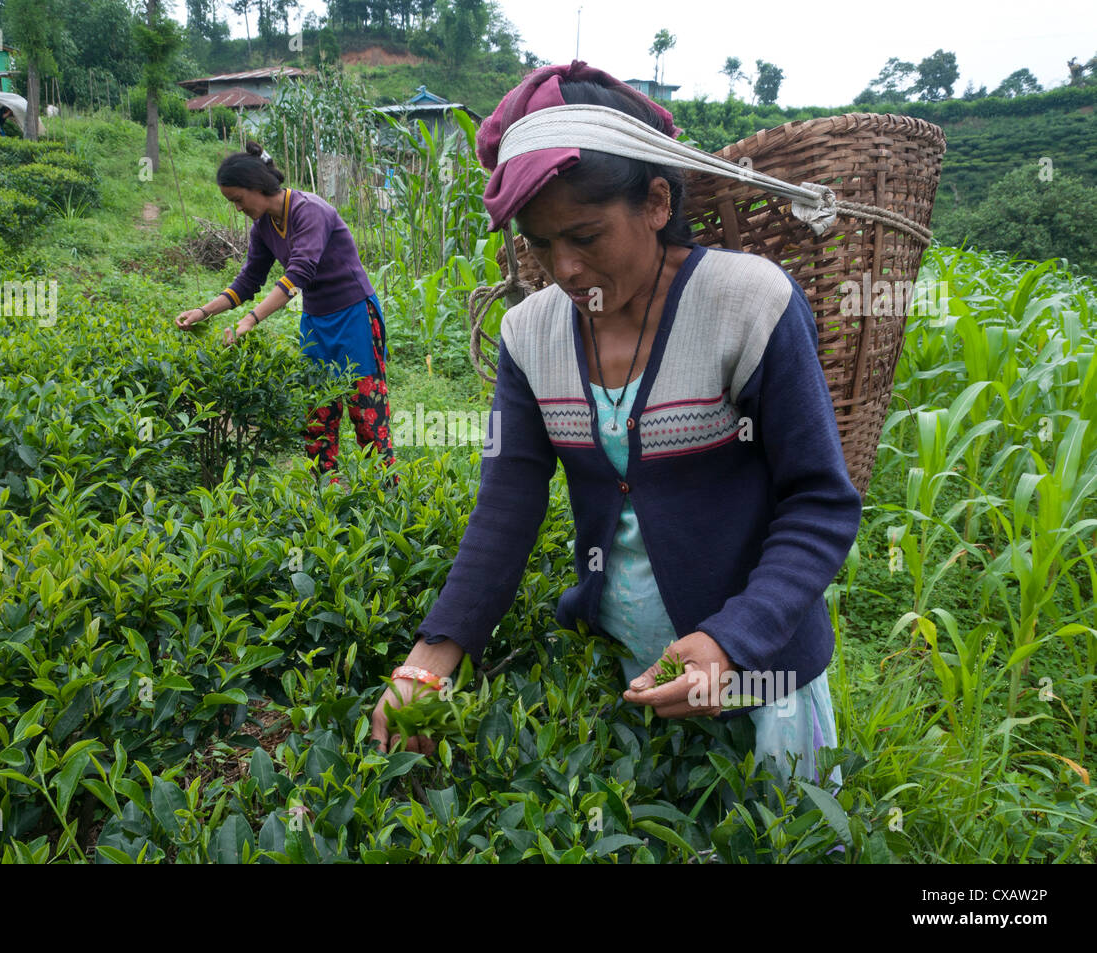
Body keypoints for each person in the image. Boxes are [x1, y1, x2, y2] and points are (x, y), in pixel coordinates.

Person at [369, 62, 863, 791]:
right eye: (539, 244)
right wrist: (429, 660)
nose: (563, 269)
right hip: (626, 668)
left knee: (779, 830)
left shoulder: (747, 304)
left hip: (763, 672)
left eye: (586, 236)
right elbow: (507, 507)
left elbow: (820, 502)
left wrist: (732, 642)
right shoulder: (529, 335)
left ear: (657, 201)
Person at [176, 141, 396, 480]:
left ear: (257, 187)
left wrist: (250, 320)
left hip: (354, 318)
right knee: (319, 414)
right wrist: (204, 312)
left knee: (367, 413)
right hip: (316, 324)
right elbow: (249, 280)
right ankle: (326, 491)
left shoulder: (310, 211)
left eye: (238, 199)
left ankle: (387, 492)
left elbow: (299, 273)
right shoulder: (263, 227)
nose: (237, 208)